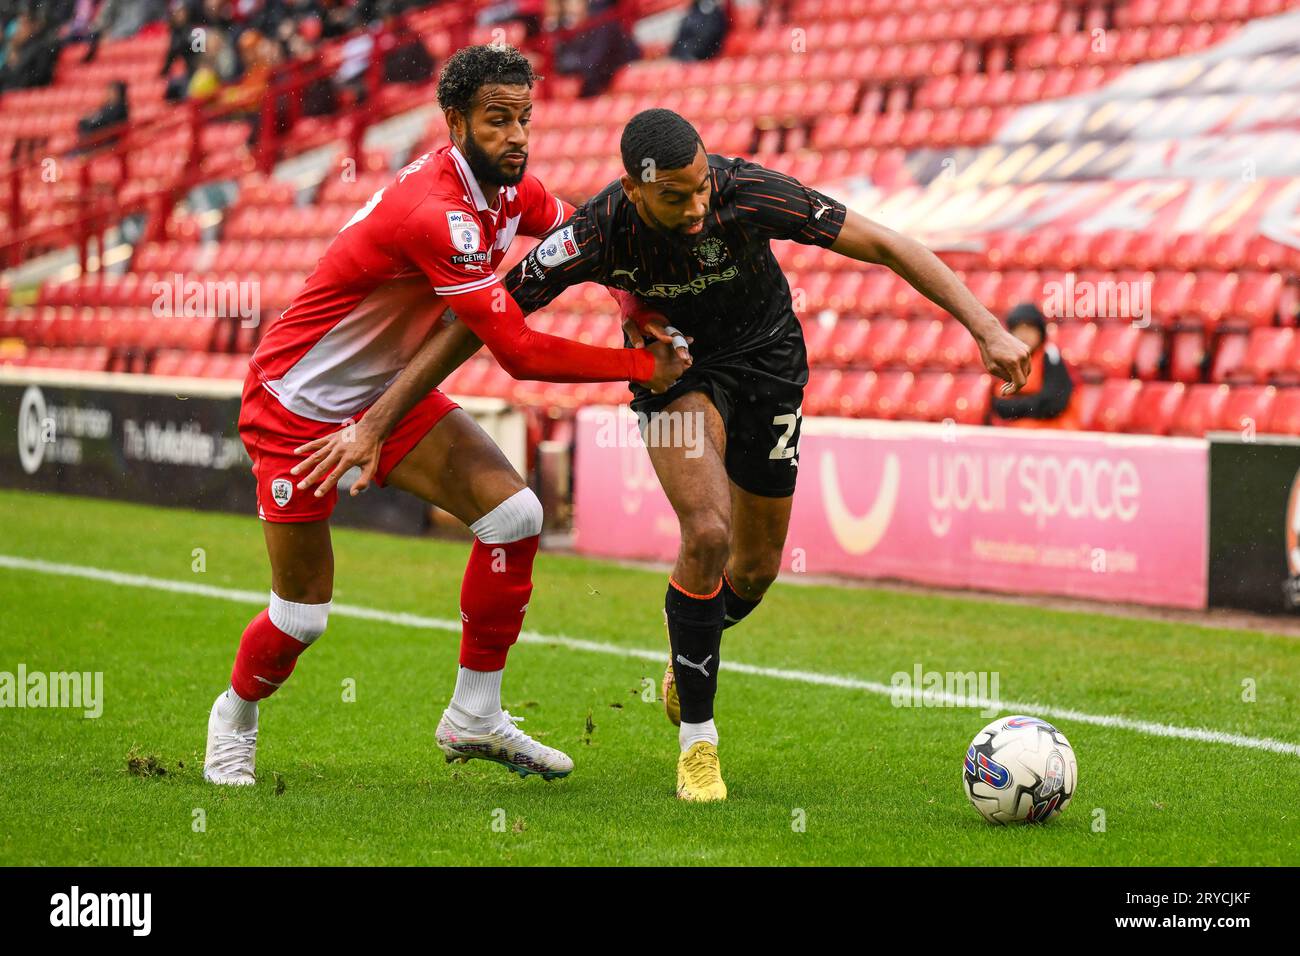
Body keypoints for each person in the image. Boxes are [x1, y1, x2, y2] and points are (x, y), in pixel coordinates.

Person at [349, 109, 1031, 801]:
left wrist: (986, 328)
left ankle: (689, 644)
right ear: (635, 190)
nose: (698, 206)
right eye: (676, 196)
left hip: (769, 366)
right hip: (676, 375)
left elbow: (884, 242)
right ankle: (698, 745)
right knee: (707, 532)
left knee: (757, 569)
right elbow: (482, 323)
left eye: (702, 186)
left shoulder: (749, 192)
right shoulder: (597, 232)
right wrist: (378, 420)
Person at [202, 45, 685, 787]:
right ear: (454, 121)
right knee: (302, 616)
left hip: (386, 398)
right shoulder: (437, 214)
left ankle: (475, 715)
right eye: (498, 120)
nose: (517, 136)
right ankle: (233, 716)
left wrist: (632, 307)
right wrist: (637, 367)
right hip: (295, 410)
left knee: (515, 517)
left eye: (525, 118)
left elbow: (592, 242)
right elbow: (516, 352)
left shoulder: (509, 194)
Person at [988, 303, 1079, 429]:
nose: (1024, 335)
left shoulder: (1050, 356)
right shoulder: (1006, 359)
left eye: (1030, 329)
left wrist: (1013, 407)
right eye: (1019, 329)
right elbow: (997, 404)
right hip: (1013, 429)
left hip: (1048, 430)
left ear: (1040, 333)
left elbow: (1052, 404)